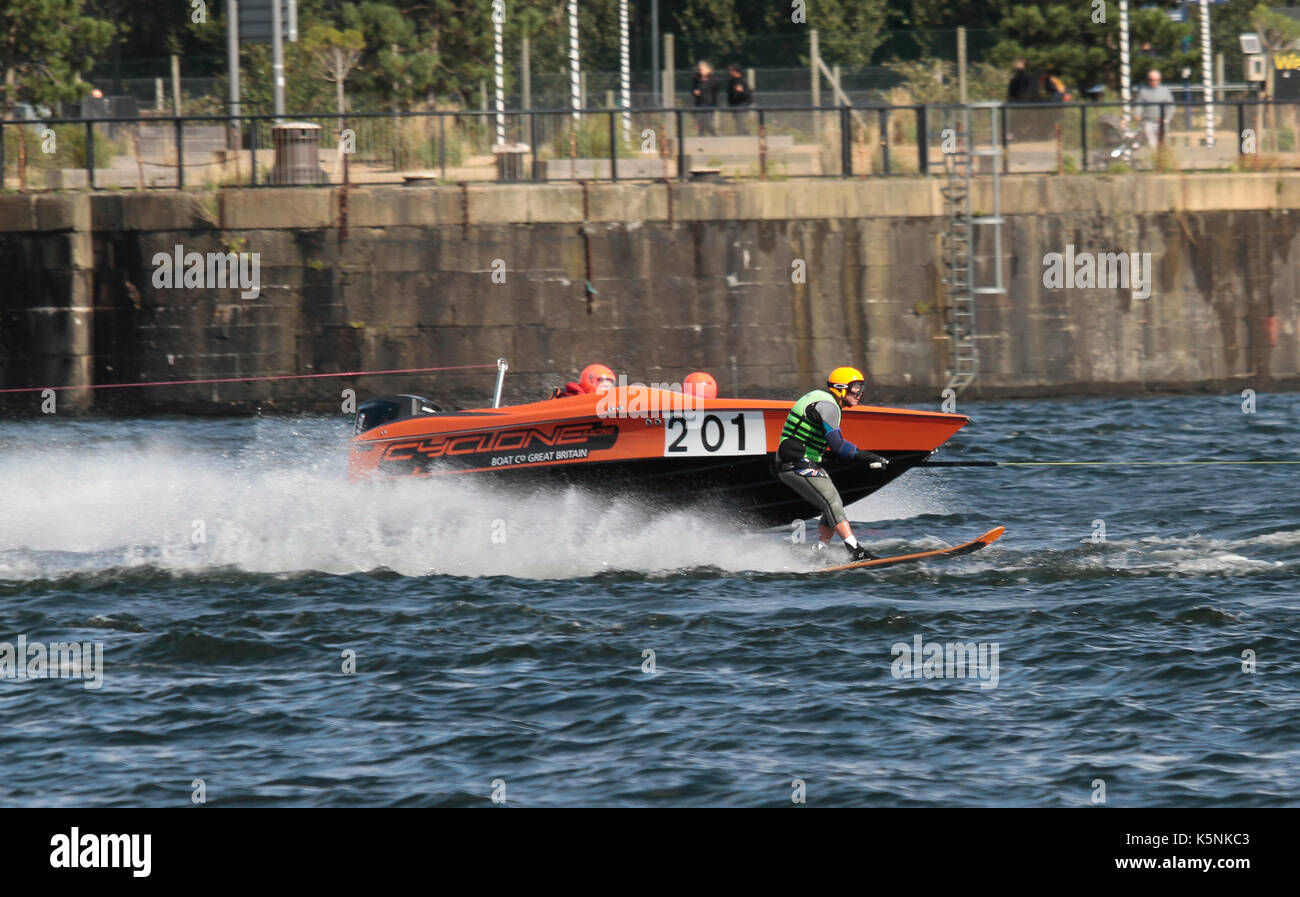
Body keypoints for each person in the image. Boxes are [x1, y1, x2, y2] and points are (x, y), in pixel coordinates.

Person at [775, 366, 889, 562]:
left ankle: (820, 549)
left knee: (833, 501)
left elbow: (818, 442)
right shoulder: (829, 406)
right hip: (796, 464)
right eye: (855, 388)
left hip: (798, 461)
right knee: (832, 501)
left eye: (861, 388)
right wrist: (870, 457)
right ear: (840, 388)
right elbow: (838, 446)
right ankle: (855, 551)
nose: (859, 393)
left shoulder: (820, 397)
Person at [1133, 69, 1174, 148]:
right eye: (1151, 80)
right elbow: (1138, 105)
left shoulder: (1165, 91)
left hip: (1162, 122)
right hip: (1148, 121)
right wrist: (1137, 114)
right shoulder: (1143, 91)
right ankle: (1154, 158)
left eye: (1156, 80)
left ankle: (1163, 159)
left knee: (1163, 142)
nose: (1154, 82)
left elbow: (1171, 107)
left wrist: (1166, 119)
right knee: (1151, 142)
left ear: (1159, 80)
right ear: (1148, 80)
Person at [550, 363, 615, 399]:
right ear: (591, 382)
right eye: (605, 386)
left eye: (611, 387)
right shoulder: (571, 399)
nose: (609, 390)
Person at [692, 60, 718, 136]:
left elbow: (712, 89)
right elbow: (693, 89)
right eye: (700, 70)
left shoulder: (713, 79)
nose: (701, 71)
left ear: (708, 69)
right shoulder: (696, 79)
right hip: (699, 104)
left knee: (708, 123)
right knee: (701, 124)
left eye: (702, 69)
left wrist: (702, 86)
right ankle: (701, 139)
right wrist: (695, 92)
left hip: (709, 104)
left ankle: (715, 137)